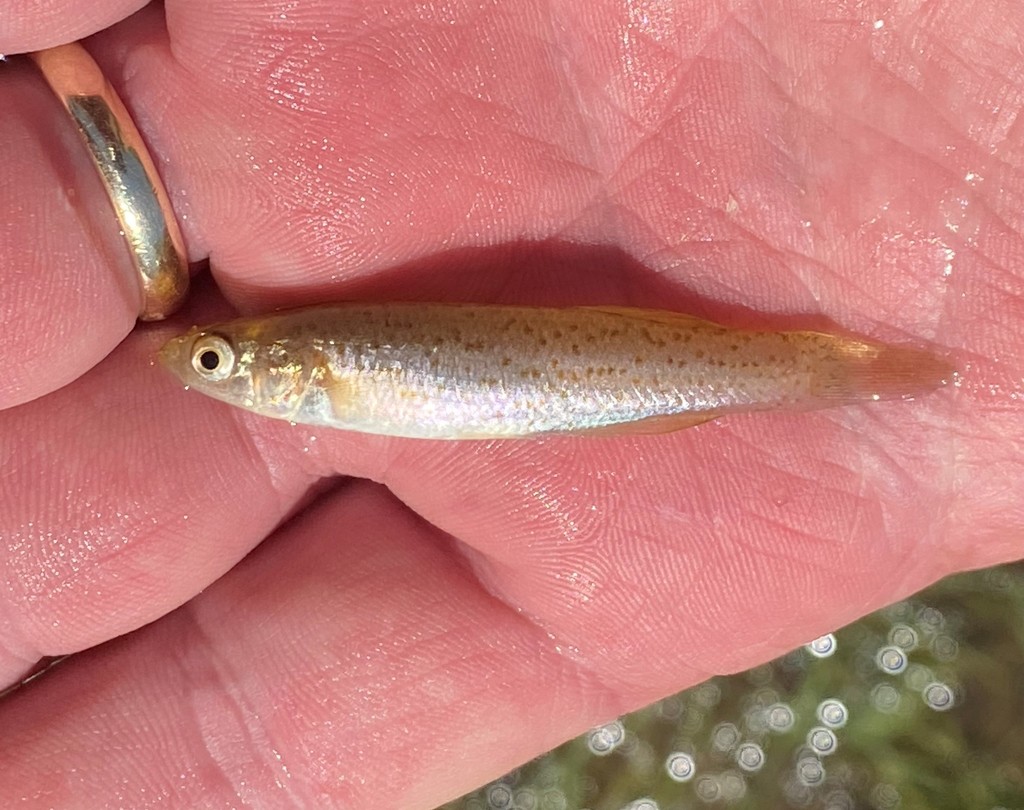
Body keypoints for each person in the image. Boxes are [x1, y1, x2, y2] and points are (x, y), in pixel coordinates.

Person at [0, 1, 1018, 806]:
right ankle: (824, 370)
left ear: (287, 367)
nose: (209, 369)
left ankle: (825, 369)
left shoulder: (311, 368)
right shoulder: (306, 366)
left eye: (221, 362)